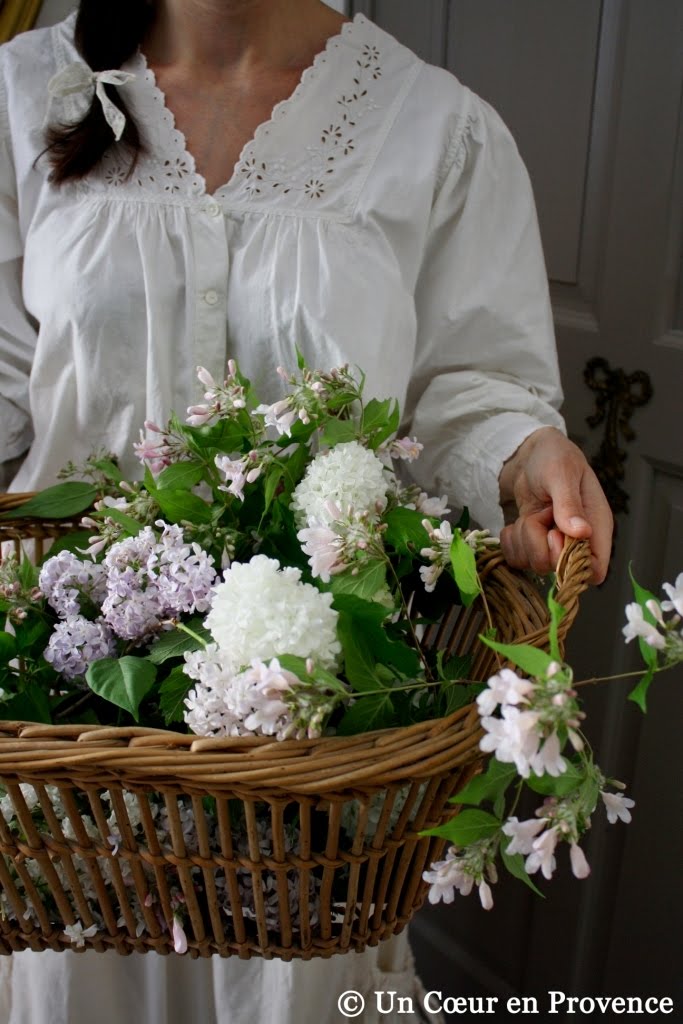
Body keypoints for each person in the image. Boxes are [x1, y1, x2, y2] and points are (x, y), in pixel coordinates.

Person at [0, 2, 613, 1022]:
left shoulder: (435, 132)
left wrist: (525, 452)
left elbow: (471, 391)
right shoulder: (22, 94)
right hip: (68, 777)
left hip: (312, 779)